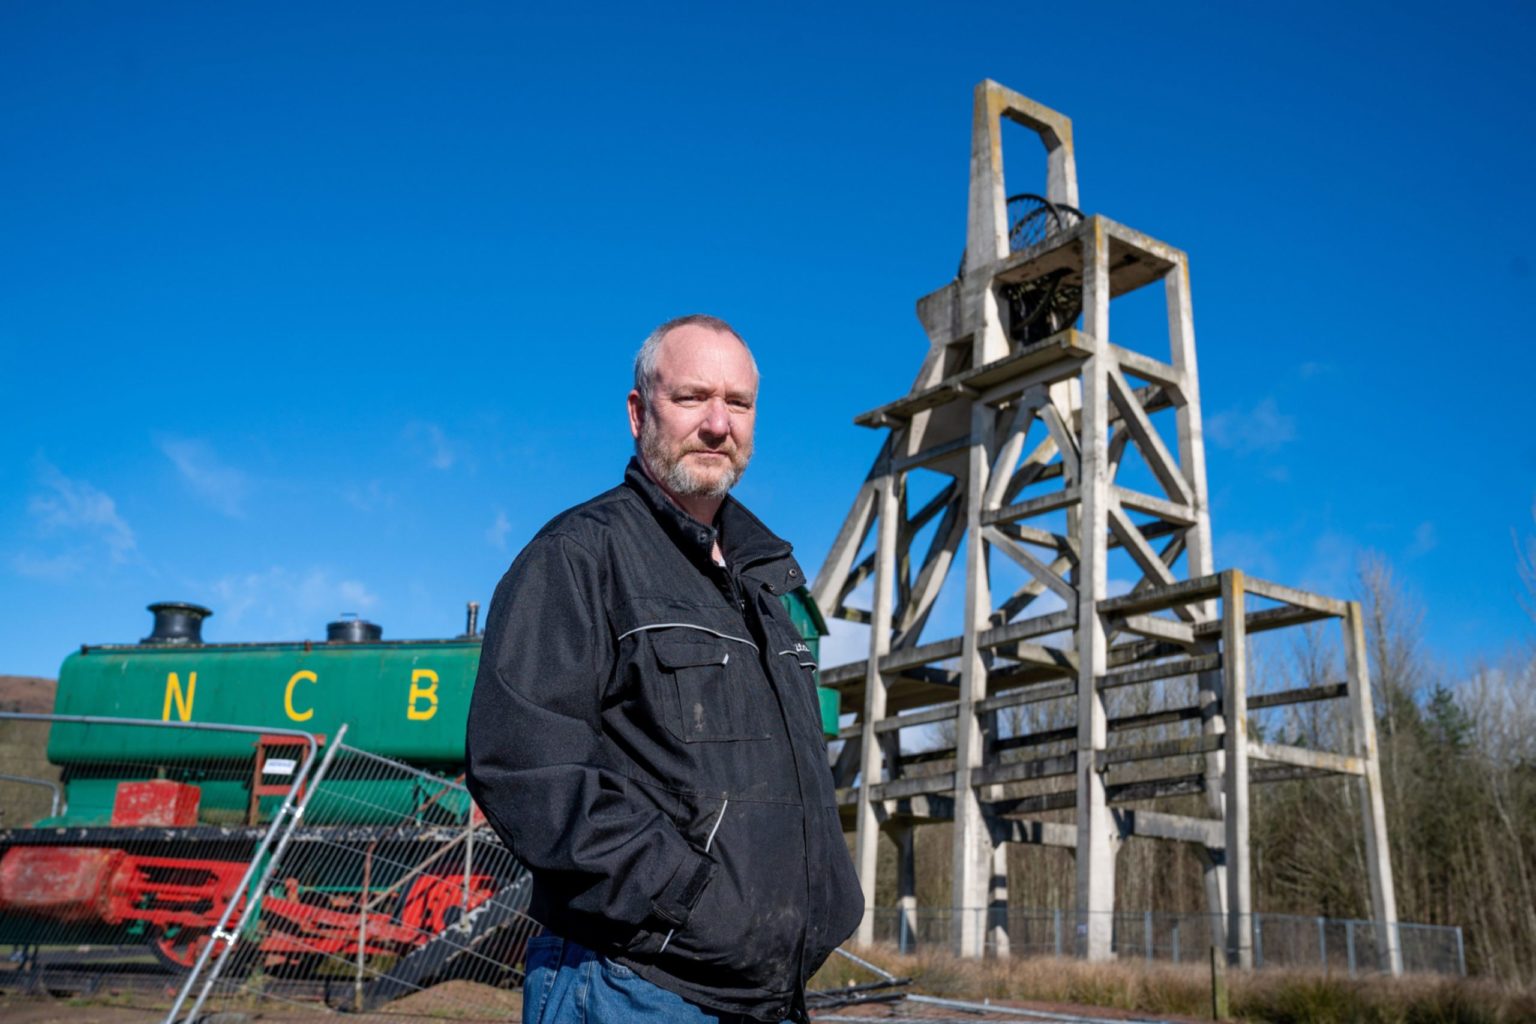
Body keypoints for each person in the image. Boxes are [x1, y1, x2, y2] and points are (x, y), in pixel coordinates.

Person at [466, 314, 862, 1024]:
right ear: (638, 411)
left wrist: (827, 899)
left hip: (766, 995)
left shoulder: (766, 593)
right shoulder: (580, 557)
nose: (718, 424)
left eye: (738, 404)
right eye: (692, 398)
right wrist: (686, 898)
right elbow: (524, 766)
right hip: (636, 984)